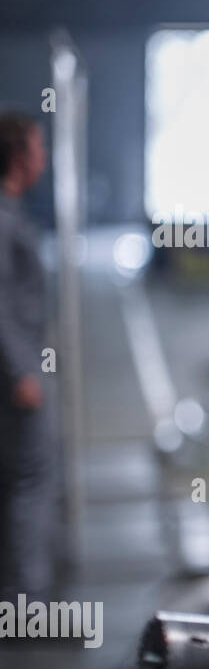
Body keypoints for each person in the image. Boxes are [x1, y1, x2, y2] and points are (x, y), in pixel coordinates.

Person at [0, 112, 53, 602]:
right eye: (38, 148)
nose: (44, 158)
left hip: (21, 364)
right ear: (18, 158)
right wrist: (21, 371)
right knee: (28, 479)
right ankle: (24, 601)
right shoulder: (3, 217)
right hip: (15, 373)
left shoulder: (13, 213)